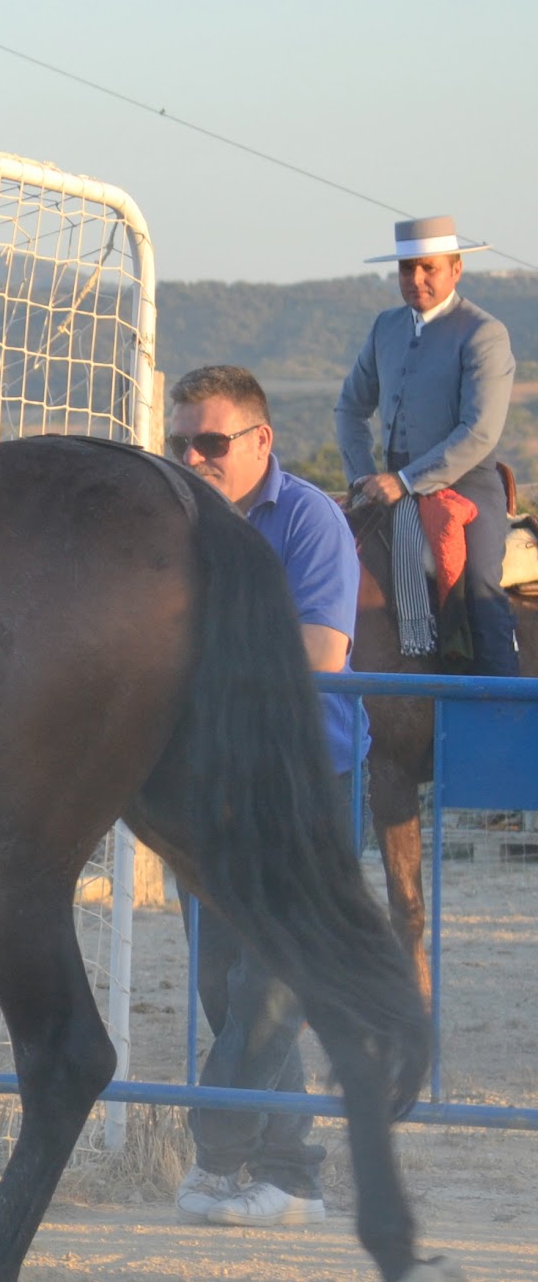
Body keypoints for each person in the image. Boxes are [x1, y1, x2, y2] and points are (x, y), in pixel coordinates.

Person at [166, 364, 368, 1227]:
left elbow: (321, 653)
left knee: (272, 984)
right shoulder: (174, 519)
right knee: (223, 984)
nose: (194, 456)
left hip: (302, 784)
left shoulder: (313, 519)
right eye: (181, 442)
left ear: (260, 441)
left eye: (211, 442)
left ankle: (221, 1155)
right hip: (204, 785)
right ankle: (292, 1177)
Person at [335, 215, 518, 675]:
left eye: (427, 268)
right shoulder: (385, 328)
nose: (415, 279)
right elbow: (350, 409)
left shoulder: (484, 333)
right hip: (386, 483)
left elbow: (478, 432)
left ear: (455, 269)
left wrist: (407, 480)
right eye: (405, 269)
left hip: (467, 484)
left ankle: (503, 705)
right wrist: (361, 476)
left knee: (479, 586)